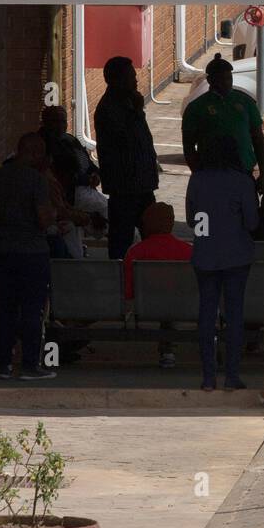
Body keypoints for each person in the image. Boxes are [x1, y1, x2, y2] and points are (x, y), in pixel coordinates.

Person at [186, 136, 259, 392]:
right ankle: (232, 375)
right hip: (237, 254)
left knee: (206, 314)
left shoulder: (197, 180)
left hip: (205, 254)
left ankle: (208, 377)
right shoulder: (242, 182)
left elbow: (192, 219)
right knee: (234, 315)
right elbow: (252, 223)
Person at [0, 133, 57, 381]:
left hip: (3, 249)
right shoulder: (37, 180)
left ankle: (3, 364)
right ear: (35, 152)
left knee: (6, 308)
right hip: (32, 252)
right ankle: (29, 365)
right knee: (32, 309)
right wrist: (53, 216)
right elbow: (43, 219)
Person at [94, 56, 160, 260]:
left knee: (153, 232)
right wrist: (136, 111)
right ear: (116, 80)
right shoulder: (109, 109)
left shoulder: (129, 101)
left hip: (141, 184)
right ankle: (120, 277)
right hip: (125, 186)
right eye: (131, 76)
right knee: (121, 238)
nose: (136, 80)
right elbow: (124, 141)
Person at [123, 201, 192, 368]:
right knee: (169, 303)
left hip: (145, 306)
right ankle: (168, 349)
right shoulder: (188, 251)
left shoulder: (135, 251)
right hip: (183, 306)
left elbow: (127, 290)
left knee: (162, 302)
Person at [183, 54, 264, 189]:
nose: (227, 82)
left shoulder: (245, 102)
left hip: (243, 173)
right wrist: (198, 173)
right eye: (221, 79)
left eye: (229, 78)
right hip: (210, 175)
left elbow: (258, 139)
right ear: (210, 80)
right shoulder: (197, 108)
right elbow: (188, 146)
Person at [39, 104, 99, 186]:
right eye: (55, 121)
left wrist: (95, 173)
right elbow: (61, 173)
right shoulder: (42, 143)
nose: (60, 125)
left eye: (63, 121)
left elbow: (86, 161)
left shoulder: (70, 139)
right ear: (45, 122)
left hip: (86, 187)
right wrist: (87, 180)